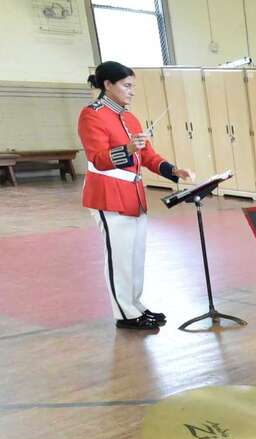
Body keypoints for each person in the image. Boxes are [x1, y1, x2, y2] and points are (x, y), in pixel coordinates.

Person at [77, 61, 195, 331]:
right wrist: (129, 148)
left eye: (133, 86)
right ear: (108, 85)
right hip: (108, 194)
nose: (132, 92)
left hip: (134, 195)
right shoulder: (91, 114)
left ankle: (135, 304)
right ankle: (124, 313)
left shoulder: (130, 118)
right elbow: (98, 158)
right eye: (126, 86)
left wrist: (174, 171)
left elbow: (149, 156)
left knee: (134, 255)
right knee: (118, 257)